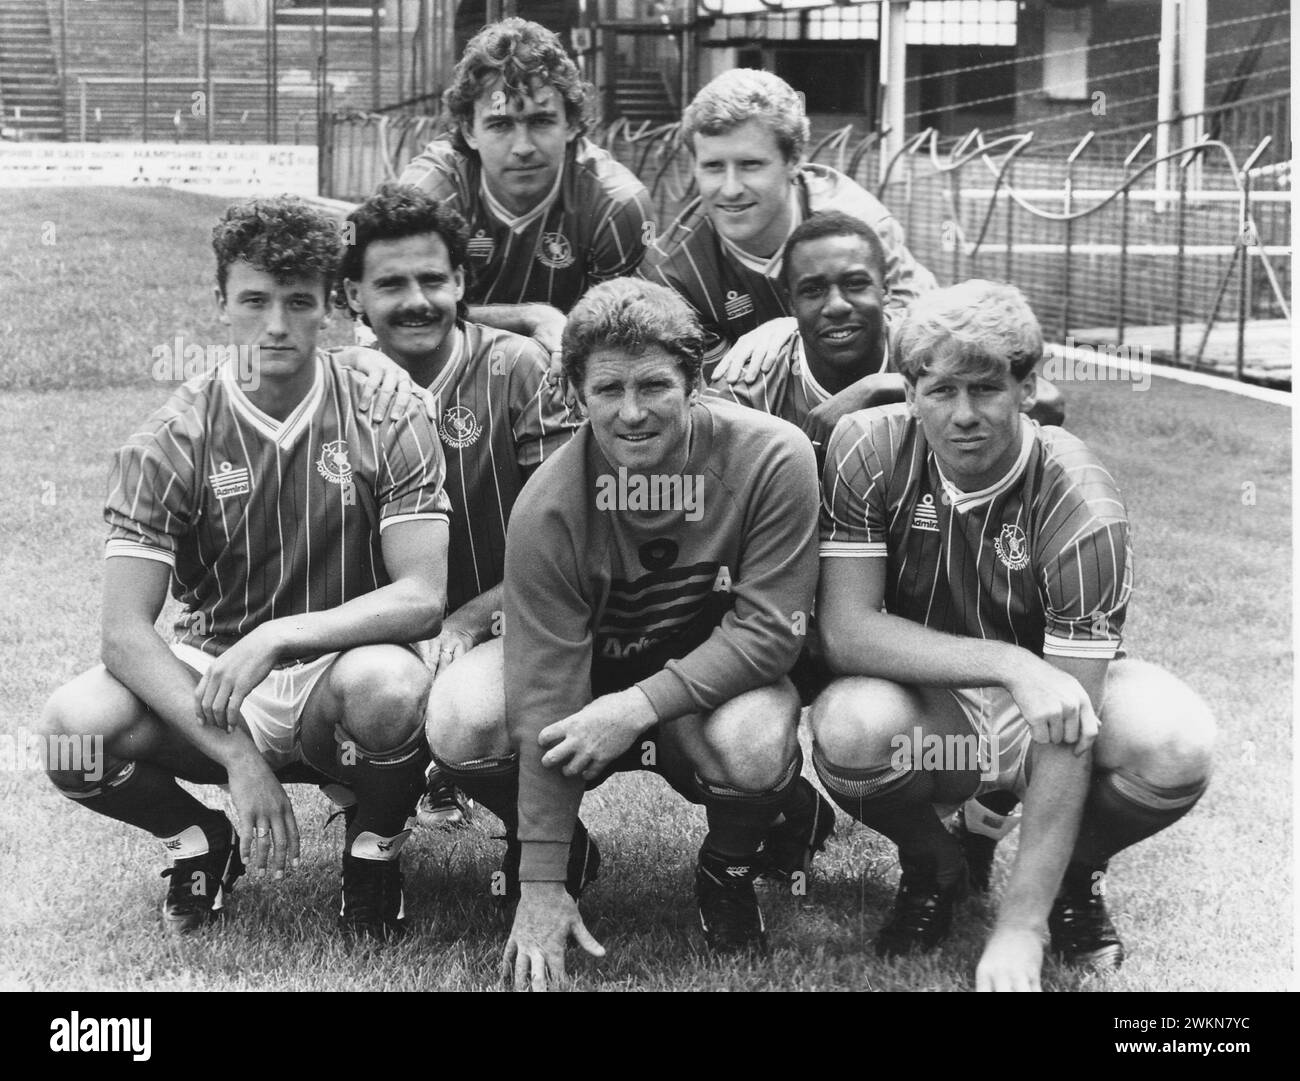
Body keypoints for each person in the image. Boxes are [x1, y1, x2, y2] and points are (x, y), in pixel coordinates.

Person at [38, 196, 452, 942]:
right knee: (73, 730)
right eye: (255, 300)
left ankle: (375, 849)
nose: (276, 325)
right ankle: (199, 840)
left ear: (332, 307)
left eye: (300, 303)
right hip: (220, 681)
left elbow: (423, 598)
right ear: (220, 303)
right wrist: (235, 760)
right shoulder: (169, 438)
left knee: (395, 688)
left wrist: (283, 636)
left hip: (344, 672)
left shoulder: (389, 408)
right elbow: (124, 636)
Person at [811, 279, 1214, 991]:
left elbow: (1070, 725)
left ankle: (1068, 880)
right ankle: (936, 861)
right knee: (848, 725)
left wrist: (1017, 931)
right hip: (933, 700)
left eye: (986, 388)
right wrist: (1008, 664)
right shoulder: (864, 448)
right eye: (940, 391)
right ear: (908, 392)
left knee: (1176, 741)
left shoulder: (1083, 503)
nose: (963, 414)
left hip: (1048, 709)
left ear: (1027, 388)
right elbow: (845, 631)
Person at [433, 278, 828, 988]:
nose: (633, 411)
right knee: (463, 713)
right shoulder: (547, 508)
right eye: (608, 389)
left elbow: (773, 633)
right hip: (587, 690)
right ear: (575, 394)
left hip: (705, 688)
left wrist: (636, 707)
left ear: (695, 380)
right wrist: (541, 878)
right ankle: (561, 849)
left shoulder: (773, 456)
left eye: (655, 385)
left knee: (758, 734)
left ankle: (728, 868)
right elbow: (544, 695)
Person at [339, 182, 581, 847]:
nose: (416, 300)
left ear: (461, 279)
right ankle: (374, 817)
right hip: (388, 624)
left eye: (432, 279)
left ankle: (540, 838)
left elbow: (568, 546)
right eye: (390, 284)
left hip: (514, 616)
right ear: (354, 296)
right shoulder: (337, 384)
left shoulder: (520, 369)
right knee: (366, 688)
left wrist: (468, 621)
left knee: (465, 717)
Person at [641, 68, 935, 372]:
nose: (730, 189)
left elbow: (927, 336)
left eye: (750, 165)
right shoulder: (672, 272)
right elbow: (714, 392)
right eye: (714, 166)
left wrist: (789, 333)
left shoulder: (858, 229)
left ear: (794, 160)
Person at [398, 17, 656, 358]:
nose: (523, 147)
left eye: (540, 121)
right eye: (501, 124)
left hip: (562, 370)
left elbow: (620, 343)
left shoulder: (615, 203)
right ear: (470, 131)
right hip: (446, 364)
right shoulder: (429, 194)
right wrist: (529, 318)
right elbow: (395, 318)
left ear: (572, 124)